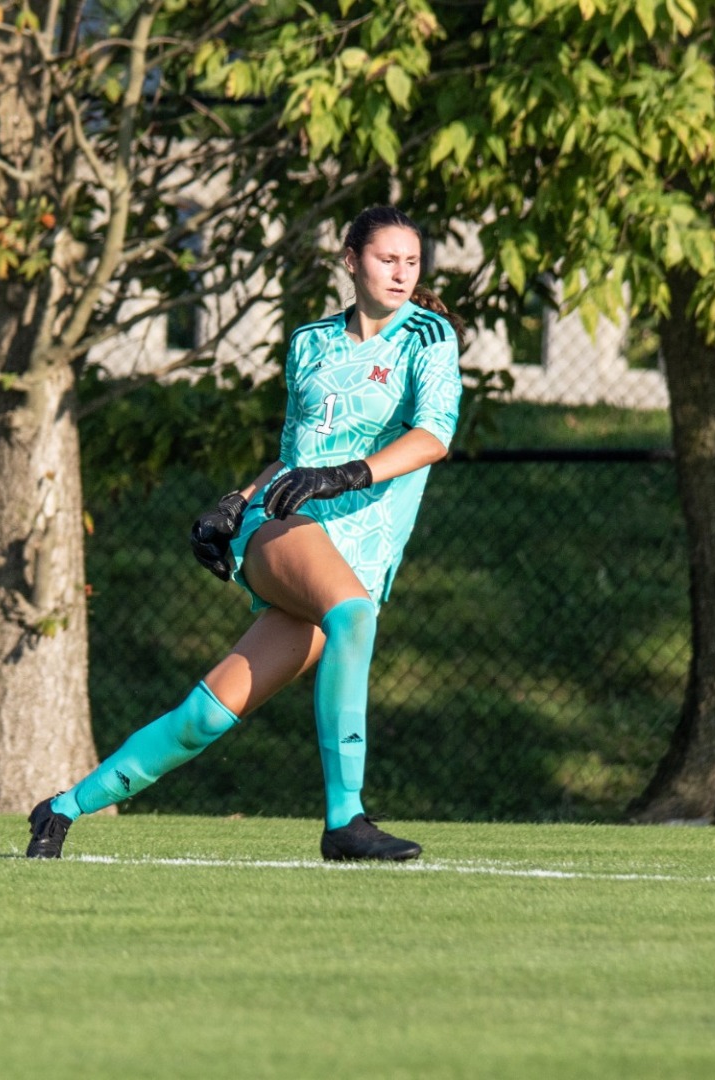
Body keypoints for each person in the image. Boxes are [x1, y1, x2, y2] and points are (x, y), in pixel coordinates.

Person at [28, 206, 464, 861]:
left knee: (204, 718)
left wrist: (346, 474)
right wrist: (239, 503)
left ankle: (60, 809)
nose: (401, 272)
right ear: (351, 260)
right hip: (290, 529)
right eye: (385, 258)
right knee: (353, 615)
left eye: (411, 260)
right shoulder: (311, 342)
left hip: (358, 550)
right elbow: (293, 456)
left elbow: (434, 437)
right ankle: (346, 822)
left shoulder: (429, 336)